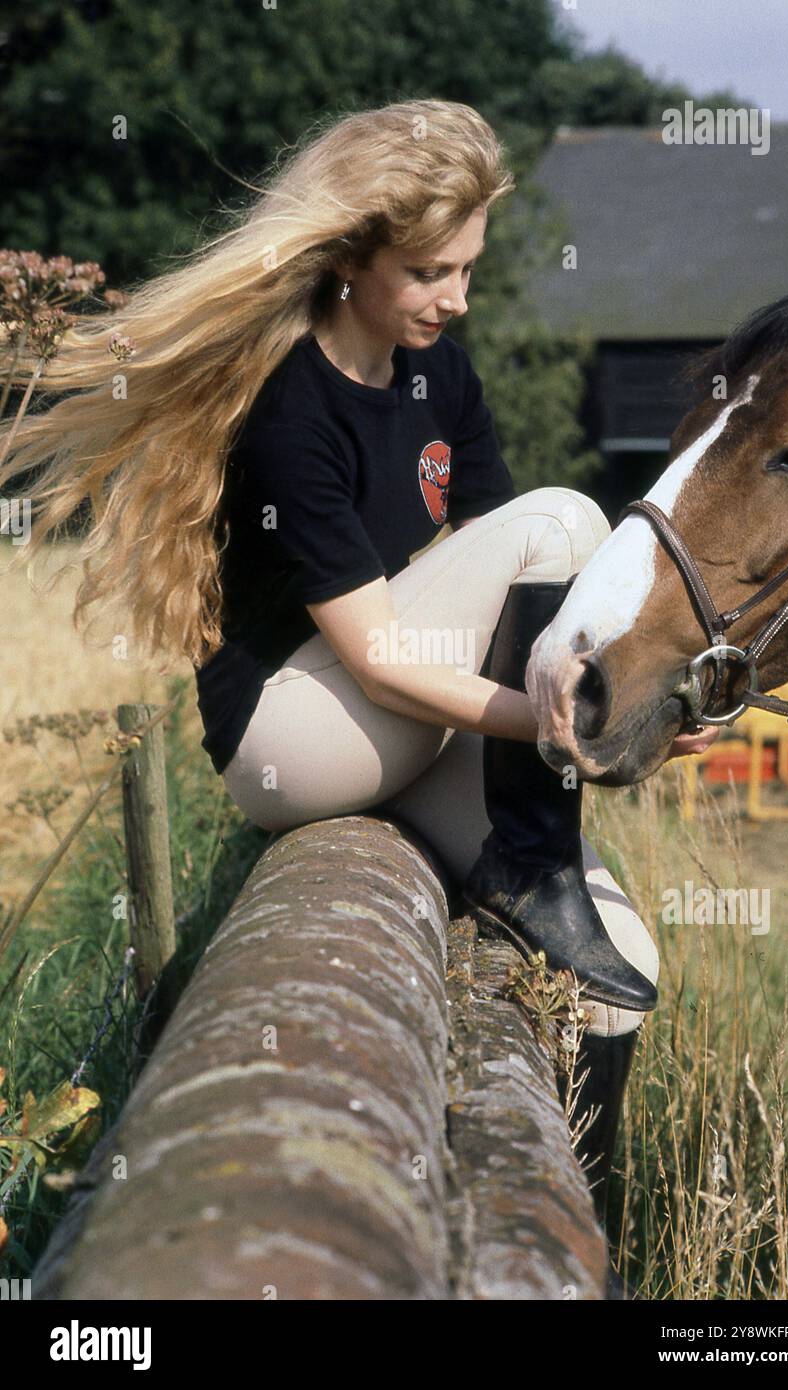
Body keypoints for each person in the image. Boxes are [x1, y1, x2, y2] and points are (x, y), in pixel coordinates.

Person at [0, 97, 717, 1230]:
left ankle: (587, 1231)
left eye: (467, 268)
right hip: (295, 729)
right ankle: (532, 861)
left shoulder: (444, 380)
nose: (456, 298)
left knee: (624, 965)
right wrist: (552, 723)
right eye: (431, 271)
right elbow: (383, 660)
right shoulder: (291, 401)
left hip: (388, 724)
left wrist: (646, 704)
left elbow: (534, 613)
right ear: (349, 257)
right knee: (570, 514)